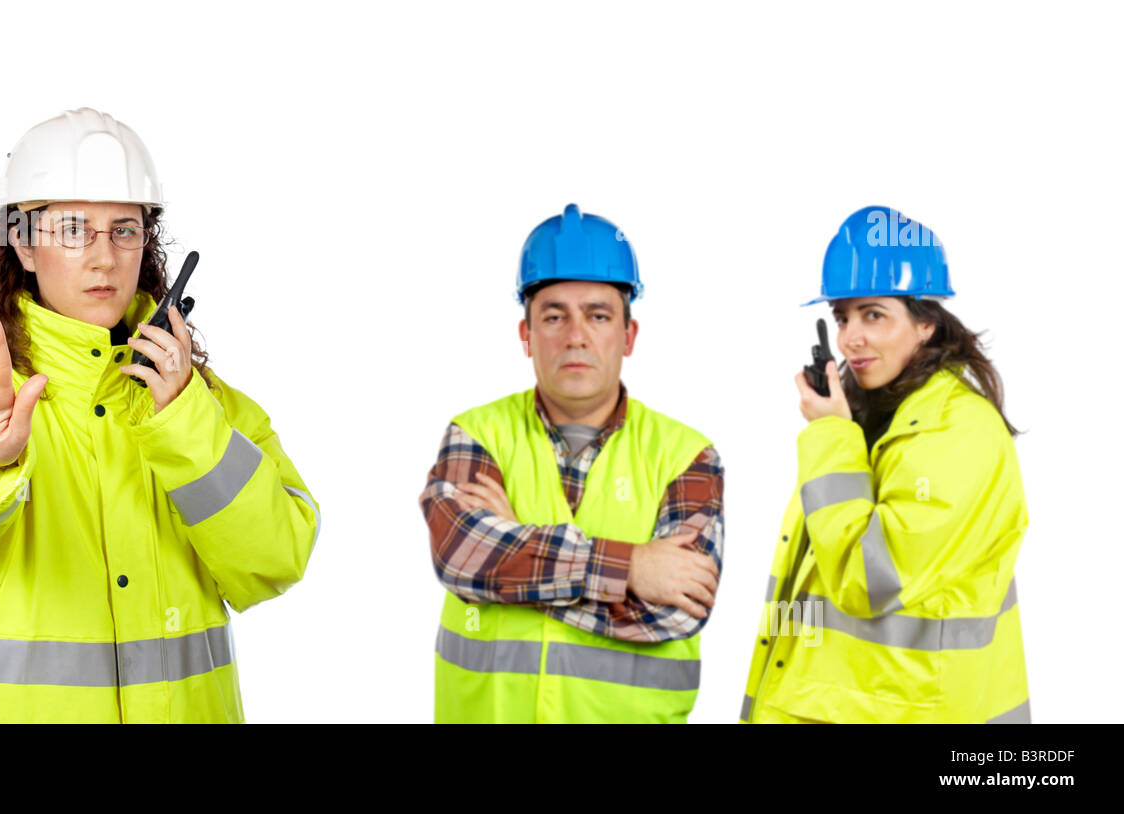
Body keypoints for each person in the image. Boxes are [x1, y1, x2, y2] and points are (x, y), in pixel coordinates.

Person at [0, 108, 320, 723]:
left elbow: (277, 559)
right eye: (71, 229)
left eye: (124, 229)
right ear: (23, 242)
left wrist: (182, 420)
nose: (104, 258)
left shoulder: (202, 402)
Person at [420, 204, 725, 723]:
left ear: (628, 336)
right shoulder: (476, 434)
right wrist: (629, 568)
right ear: (527, 333)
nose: (576, 335)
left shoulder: (687, 454)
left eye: (598, 315)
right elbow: (462, 556)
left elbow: (676, 610)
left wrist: (514, 550)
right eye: (555, 315)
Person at [740, 206, 1029, 724]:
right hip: (824, 703)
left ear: (924, 323)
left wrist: (829, 434)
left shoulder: (956, 430)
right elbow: (809, 585)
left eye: (873, 315)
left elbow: (866, 580)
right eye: (842, 316)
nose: (851, 338)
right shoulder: (869, 420)